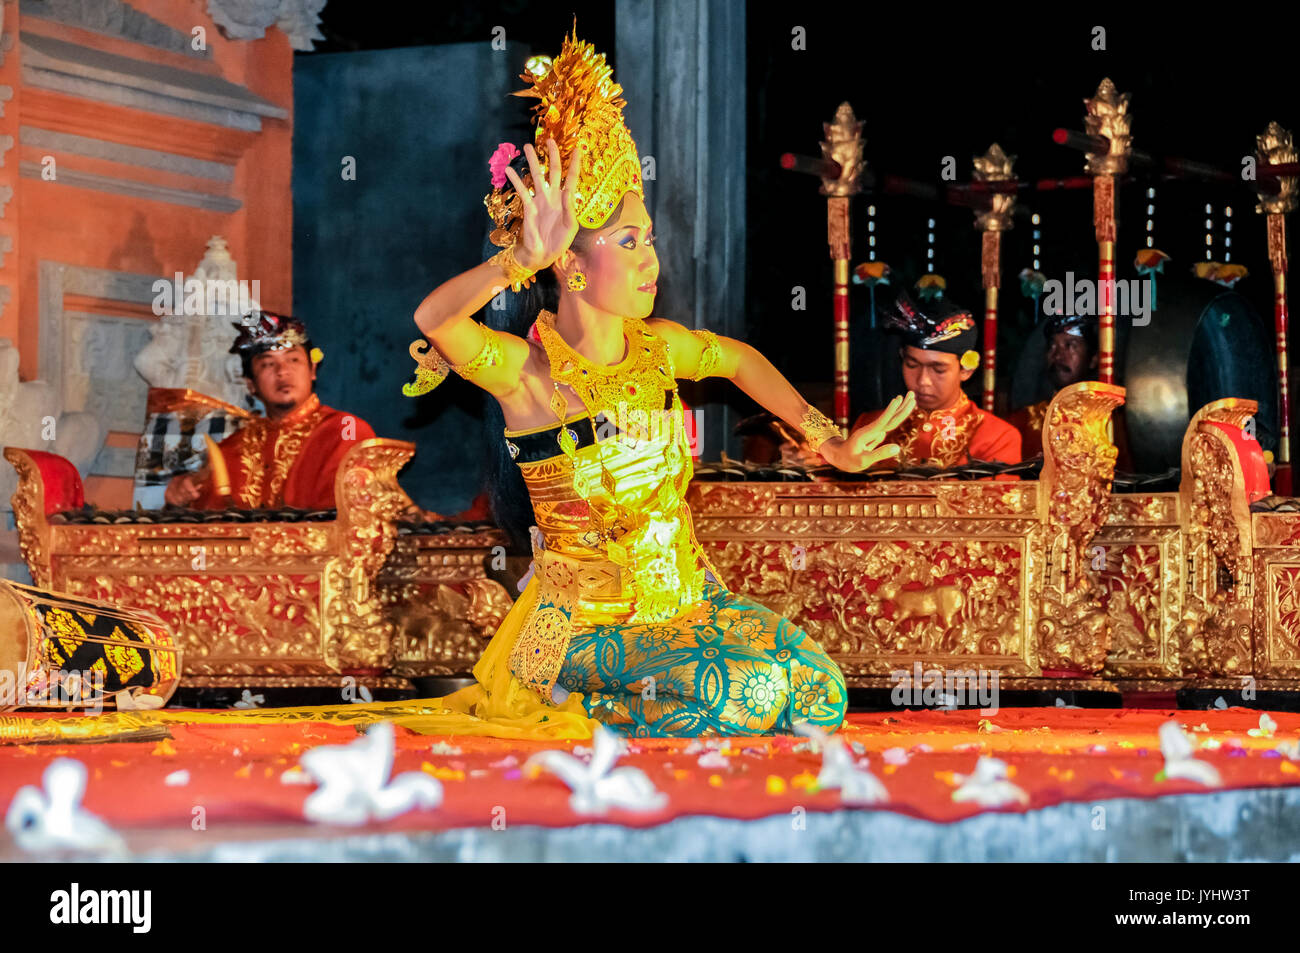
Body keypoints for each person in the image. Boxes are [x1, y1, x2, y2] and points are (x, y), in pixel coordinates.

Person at [406, 30, 914, 738]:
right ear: (570, 265)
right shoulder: (528, 372)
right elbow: (435, 319)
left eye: (647, 238)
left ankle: (635, 713)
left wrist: (827, 439)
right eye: (629, 242)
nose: (652, 260)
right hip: (583, 625)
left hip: (684, 603)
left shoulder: (659, 349)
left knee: (818, 690)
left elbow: (739, 360)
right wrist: (516, 260)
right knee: (750, 691)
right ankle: (572, 702)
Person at [164, 311, 376, 510]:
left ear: (312, 370)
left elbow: (350, 516)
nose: (282, 372)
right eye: (267, 364)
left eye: (293, 360)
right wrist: (179, 497)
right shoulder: (230, 450)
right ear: (251, 384)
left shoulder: (345, 430)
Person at [852, 289, 1020, 467]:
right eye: (912, 365)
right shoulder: (870, 427)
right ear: (902, 357)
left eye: (938, 370)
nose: (923, 380)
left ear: (966, 370)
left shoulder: (997, 437)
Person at [1007, 313, 1096, 459]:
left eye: (1070, 346)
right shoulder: (1024, 421)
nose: (1058, 355)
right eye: (1052, 346)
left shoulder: (1110, 422)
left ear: (1093, 359)